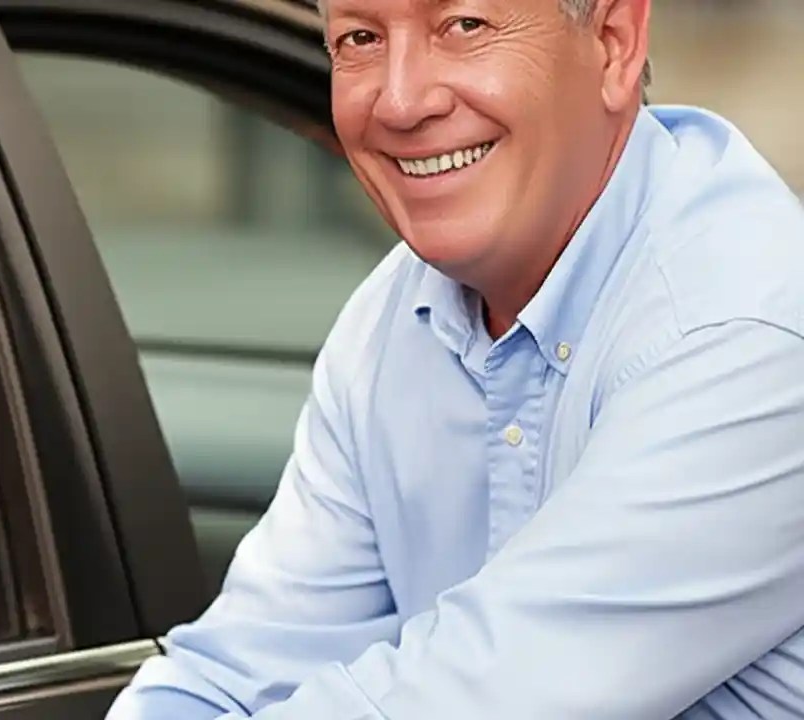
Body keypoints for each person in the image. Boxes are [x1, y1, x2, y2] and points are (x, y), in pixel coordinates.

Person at [107, 0, 804, 717]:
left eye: (465, 26)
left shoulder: (747, 325)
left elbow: (474, 698)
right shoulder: (394, 318)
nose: (402, 100)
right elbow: (235, 670)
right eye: (360, 38)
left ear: (614, 42)